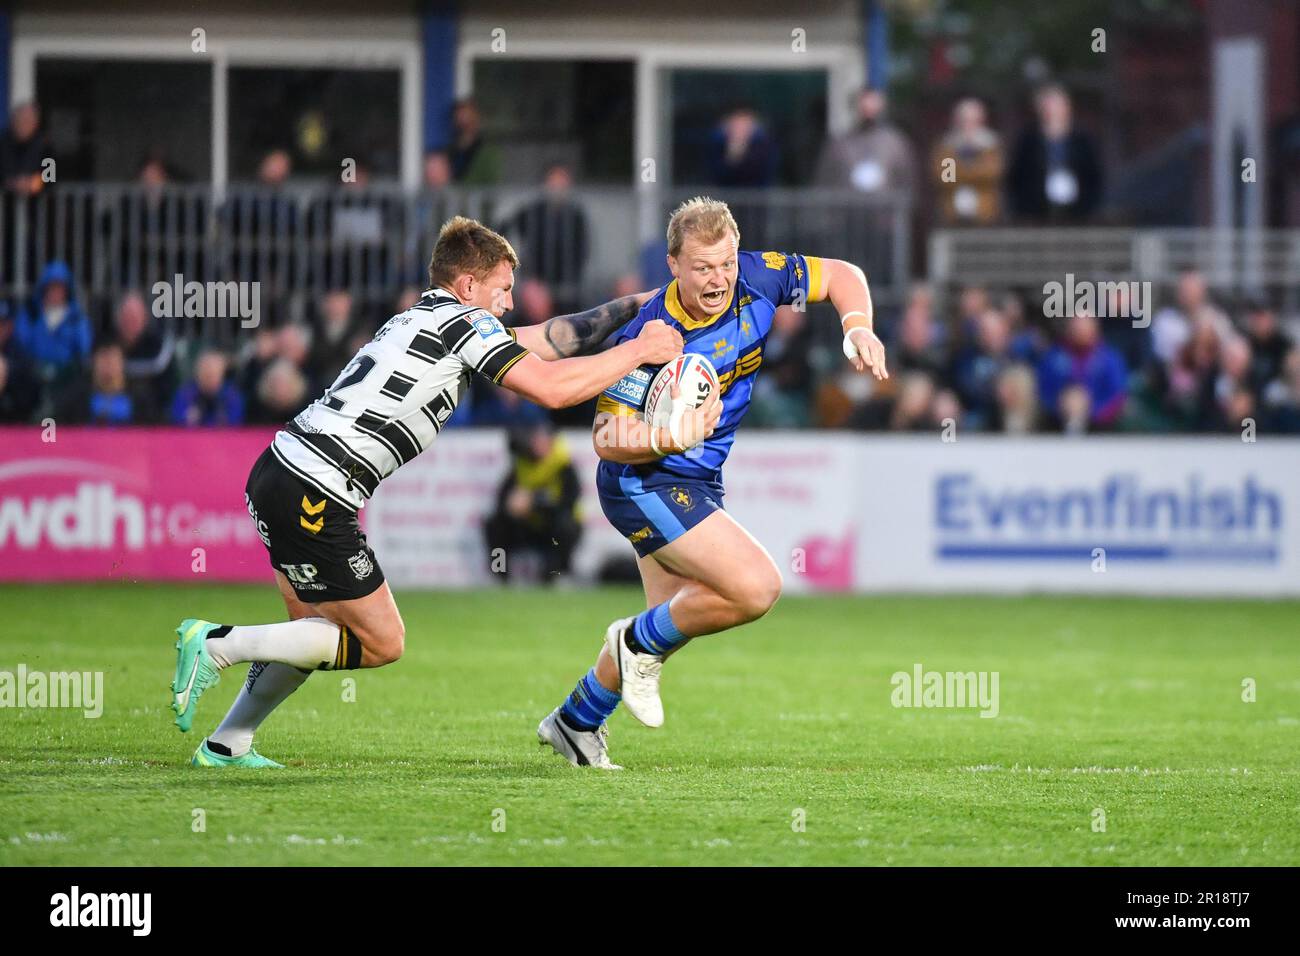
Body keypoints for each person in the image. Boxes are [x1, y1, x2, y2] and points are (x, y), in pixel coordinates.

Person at [169, 216, 682, 768]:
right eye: (502, 289)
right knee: (382, 642)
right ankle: (217, 643)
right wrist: (639, 351)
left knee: (311, 633)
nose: (509, 303)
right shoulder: (466, 324)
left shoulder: (425, 319)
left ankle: (228, 742)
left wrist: (637, 306)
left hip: (279, 470)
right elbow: (554, 391)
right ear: (467, 286)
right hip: (316, 486)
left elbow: (552, 338)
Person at [535, 196, 887, 770]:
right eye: (703, 267)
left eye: (725, 263)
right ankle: (629, 647)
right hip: (642, 480)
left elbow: (844, 276)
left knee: (674, 620)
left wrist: (857, 327)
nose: (719, 278)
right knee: (754, 588)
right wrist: (668, 439)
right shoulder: (653, 332)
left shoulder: (759, 275)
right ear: (673, 265)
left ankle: (576, 721)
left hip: (697, 477)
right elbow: (605, 436)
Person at [483, 422, 583, 584]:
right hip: (528, 524)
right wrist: (511, 505)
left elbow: (569, 500)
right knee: (495, 525)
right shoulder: (521, 464)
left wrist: (534, 501)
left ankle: (557, 574)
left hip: (554, 524)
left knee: (566, 527)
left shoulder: (562, 465)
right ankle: (499, 573)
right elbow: (503, 498)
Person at [1006, 84, 1103, 224]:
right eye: (1048, 106)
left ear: (1067, 108)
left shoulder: (1083, 140)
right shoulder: (1028, 141)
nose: (1052, 111)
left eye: (1057, 106)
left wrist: (1090, 207)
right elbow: (1016, 177)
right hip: (1036, 214)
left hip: (1078, 214)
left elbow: (1093, 176)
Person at [931, 98, 1004, 225]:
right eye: (964, 120)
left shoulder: (991, 146)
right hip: (952, 214)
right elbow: (946, 178)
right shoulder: (947, 146)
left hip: (985, 214)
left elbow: (991, 174)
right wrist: (975, 172)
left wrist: (960, 171)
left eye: (973, 120)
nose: (968, 124)